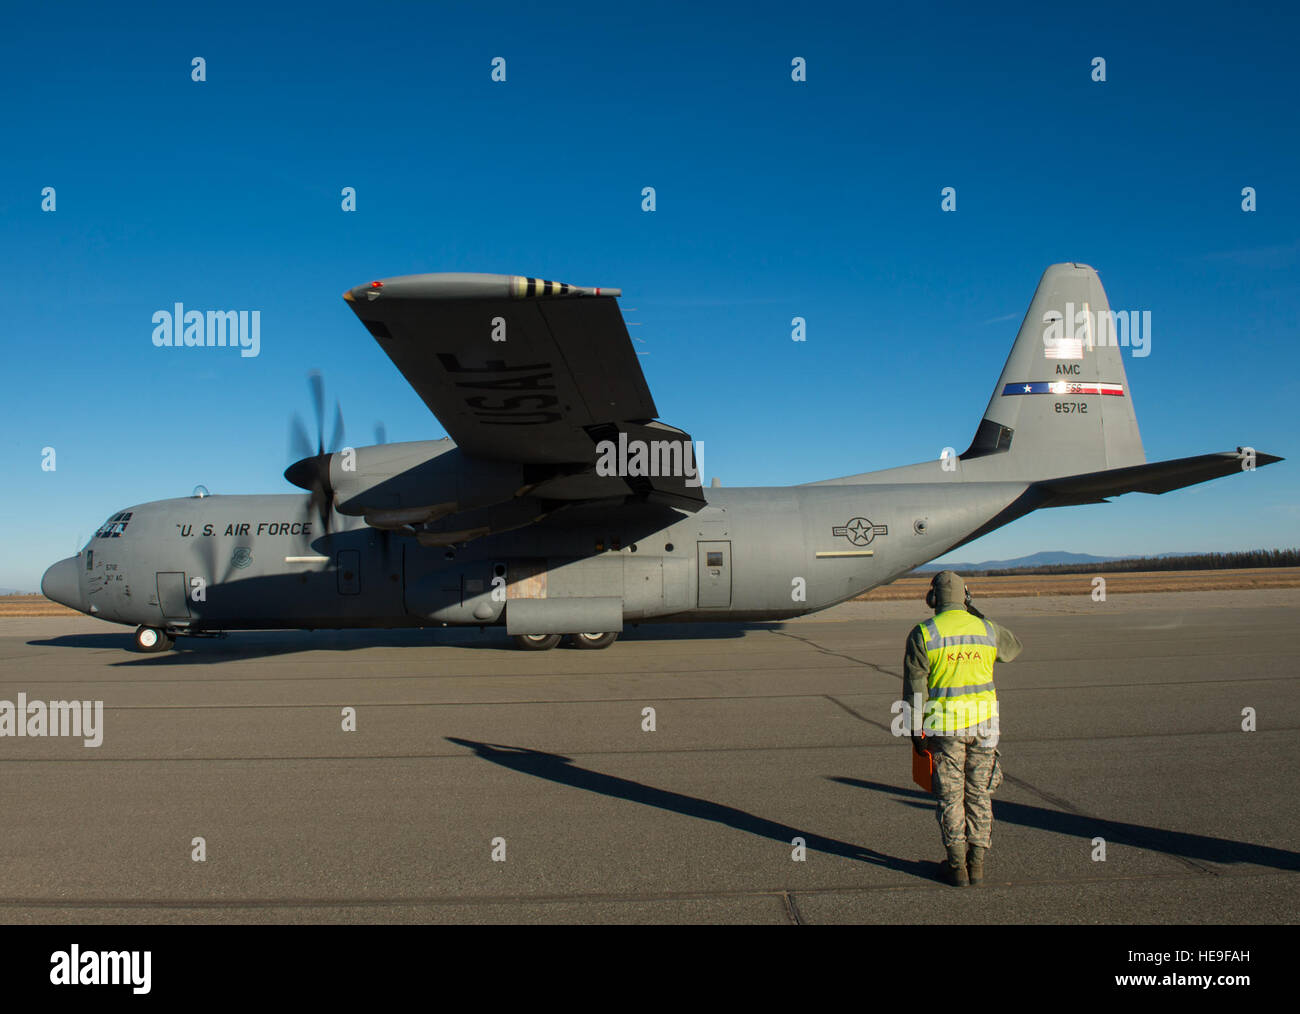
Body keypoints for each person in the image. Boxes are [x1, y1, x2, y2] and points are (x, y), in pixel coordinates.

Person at [903, 571, 1021, 886]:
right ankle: (978, 865)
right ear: (964, 597)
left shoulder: (923, 634)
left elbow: (916, 690)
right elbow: (1014, 648)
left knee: (950, 796)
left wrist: (915, 731)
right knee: (979, 793)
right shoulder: (986, 629)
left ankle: (957, 867)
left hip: (946, 728)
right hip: (985, 726)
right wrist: (977, 613)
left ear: (933, 599)